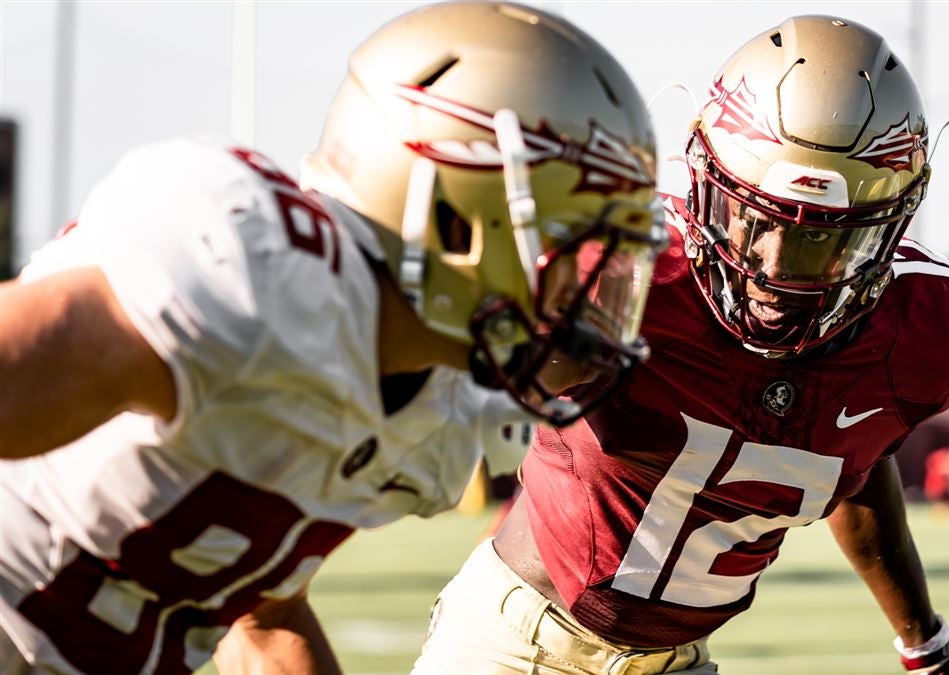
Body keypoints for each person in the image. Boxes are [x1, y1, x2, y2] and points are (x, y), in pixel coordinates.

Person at [0, 3, 666, 673]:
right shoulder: (250, 269)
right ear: (457, 221)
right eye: (571, 252)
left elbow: (262, 616)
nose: (587, 301)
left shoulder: (435, 412)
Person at [414, 14, 949, 675]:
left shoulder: (921, 325)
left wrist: (926, 643)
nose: (772, 266)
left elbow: (856, 456)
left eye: (822, 237)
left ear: (887, 230)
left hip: (675, 662)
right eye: (753, 218)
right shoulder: (626, 270)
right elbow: (480, 372)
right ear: (708, 183)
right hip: (517, 645)